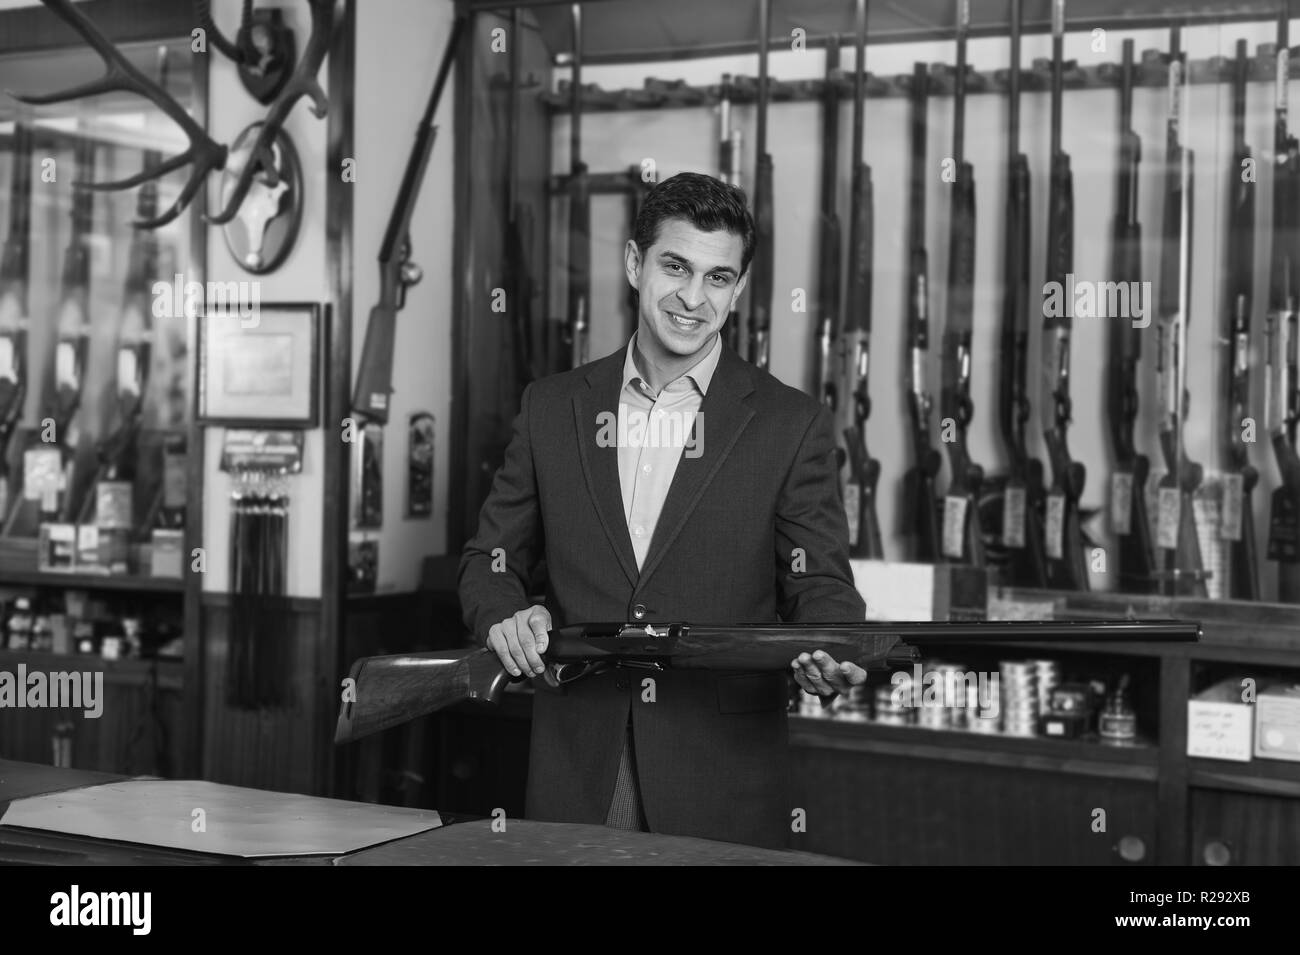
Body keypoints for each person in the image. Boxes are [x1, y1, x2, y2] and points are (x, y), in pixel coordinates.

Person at [458, 172, 868, 849]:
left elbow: (819, 581)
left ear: (737, 289)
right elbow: (488, 559)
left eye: (717, 277)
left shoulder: (791, 424)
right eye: (675, 266)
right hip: (576, 768)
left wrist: (831, 644)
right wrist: (506, 613)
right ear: (633, 263)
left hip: (723, 778)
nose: (692, 297)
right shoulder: (551, 407)